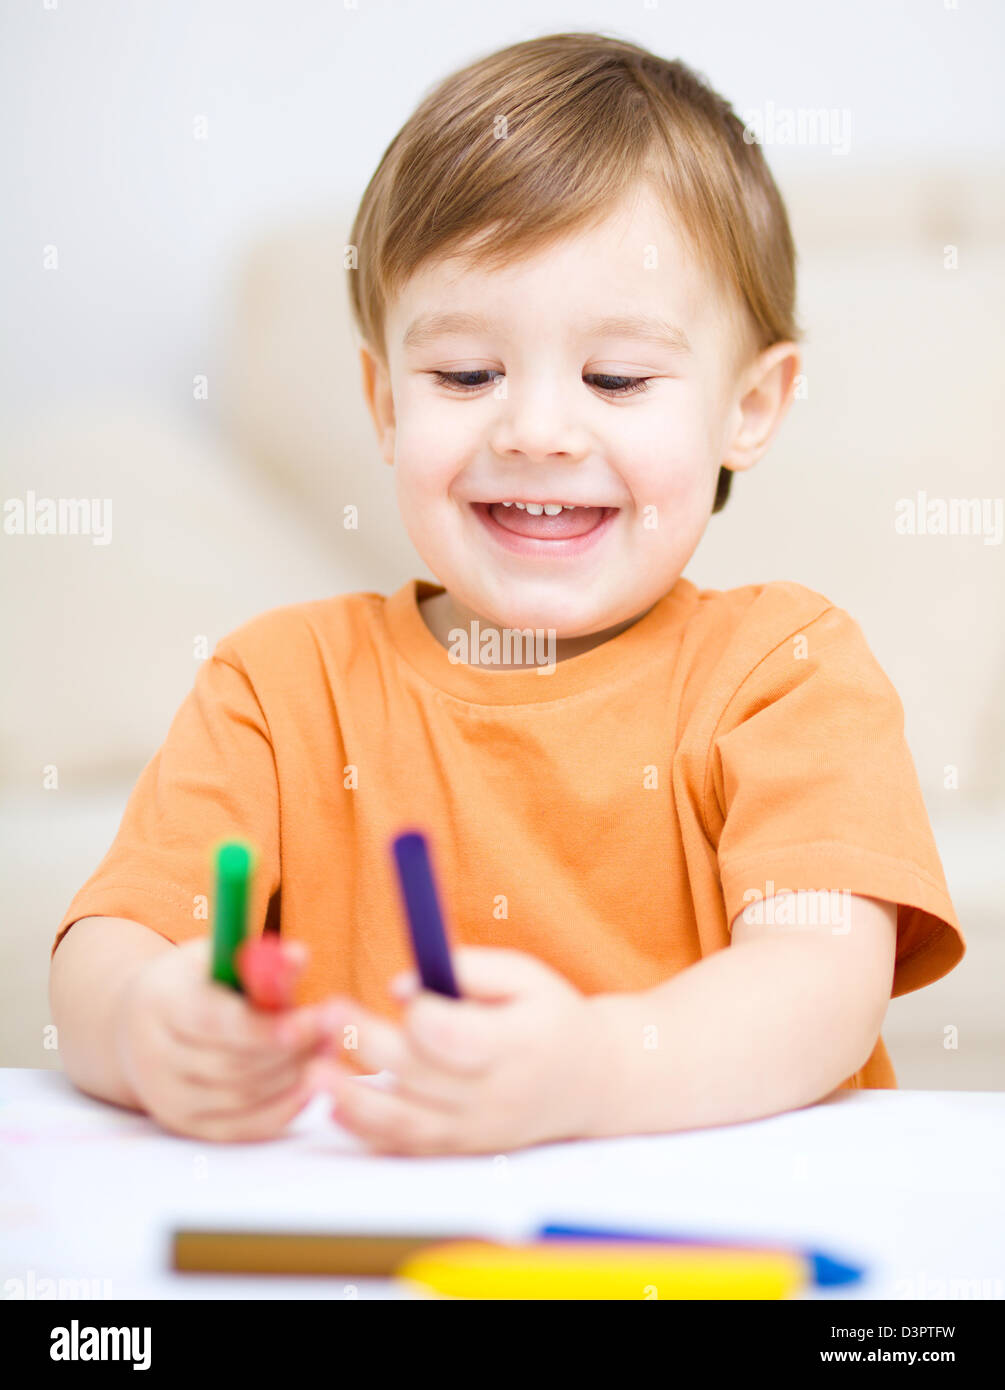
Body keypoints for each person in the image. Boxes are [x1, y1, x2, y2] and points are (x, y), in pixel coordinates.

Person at [49, 33, 963, 1153]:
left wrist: (597, 1073)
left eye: (617, 378)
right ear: (384, 400)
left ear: (751, 408)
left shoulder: (789, 672)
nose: (534, 431)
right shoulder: (276, 689)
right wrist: (152, 1028)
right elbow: (111, 945)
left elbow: (822, 981)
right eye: (466, 375)